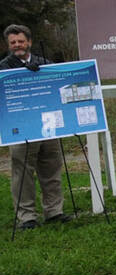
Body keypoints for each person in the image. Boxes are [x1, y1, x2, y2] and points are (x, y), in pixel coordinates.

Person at [2, 24, 68, 230]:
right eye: (12, 42)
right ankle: (27, 216)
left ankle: (54, 211)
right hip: (21, 129)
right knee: (22, 174)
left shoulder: (44, 63)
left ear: (29, 42)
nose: (17, 45)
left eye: (20, 41)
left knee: (51, 169)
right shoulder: (3, 67)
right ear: (8, 45)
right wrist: (21, 73)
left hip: (48, 125)